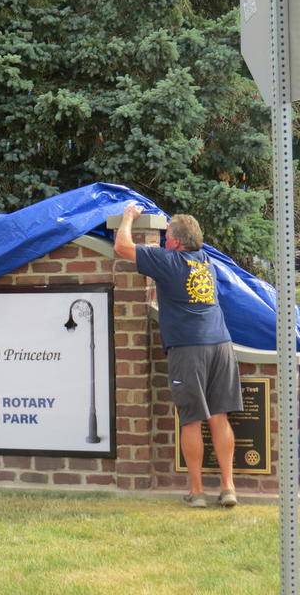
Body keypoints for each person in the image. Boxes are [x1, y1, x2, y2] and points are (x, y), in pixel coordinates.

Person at [114, 203, 241, 508]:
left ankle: (196, 492)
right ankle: (228, 488)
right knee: (219, 416)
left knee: (192, 419)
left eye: (167, 235)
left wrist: (129, 217)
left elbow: (122, 247)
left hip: (188, 349)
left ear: (176, 242)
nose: (164, 240)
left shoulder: (168, 261)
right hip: (221, 344)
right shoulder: (206, 261)